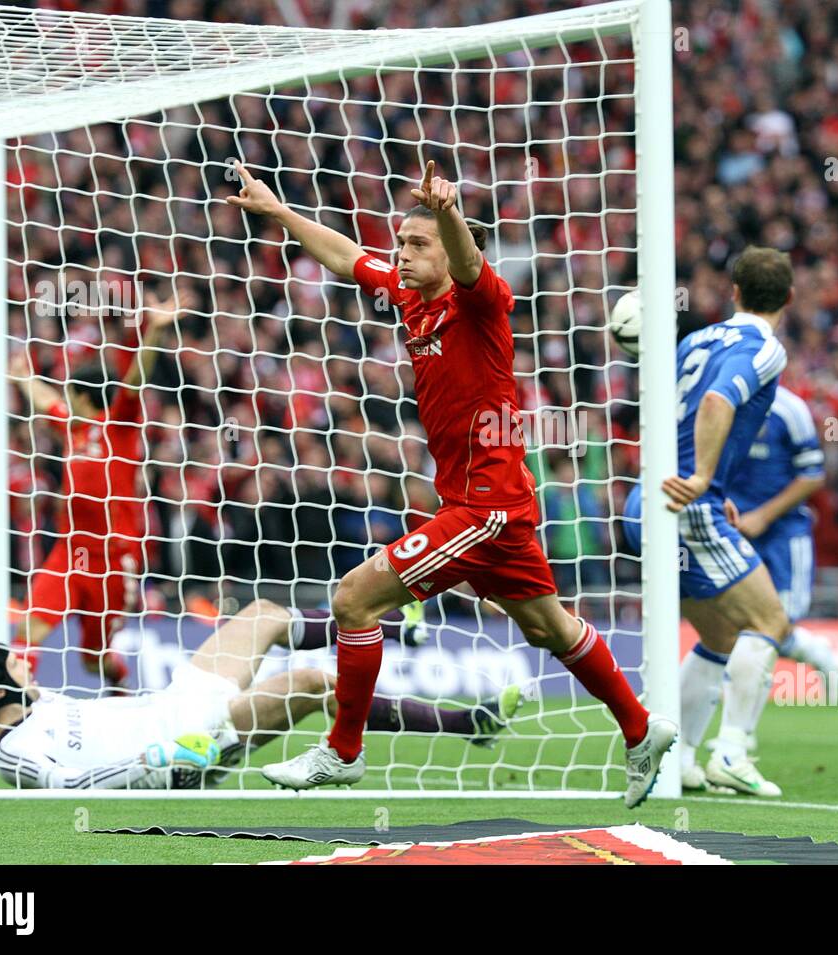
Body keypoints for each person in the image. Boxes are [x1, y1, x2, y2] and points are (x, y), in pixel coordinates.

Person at [227, 160, 672, 807]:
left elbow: (467, 264)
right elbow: (348, 255)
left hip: (485, 508)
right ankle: (640, 727)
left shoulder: (481, 301)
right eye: (402, 244)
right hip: (495, 507)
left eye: (417, 245)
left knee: (354, 600)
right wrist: (279, 213)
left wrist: (452, 213)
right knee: (551, 629)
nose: (402, 256)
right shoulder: (409, 296)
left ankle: (343, 751)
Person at [0, 600, 523, 790]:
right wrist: (158, 758)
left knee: (264, 615)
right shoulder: (11, 754)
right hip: (180, 747)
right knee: (312, 684)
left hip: (173, 705)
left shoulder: (41, 704)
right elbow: (70, 785)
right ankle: (468, 723)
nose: (27, 665)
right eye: (14, 666)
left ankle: (401, 628)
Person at [623, 246, 794, 798]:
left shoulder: (696, 339)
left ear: (735, 293)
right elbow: (719, 400)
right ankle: (732, 752)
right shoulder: (766, 348)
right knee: (769, 623)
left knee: (720, 634)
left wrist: (705, 483)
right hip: (684, 503)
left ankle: (683, 760)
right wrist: (702, 478)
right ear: (788, 299)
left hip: (645, 499)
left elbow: (669, 408)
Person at [8, 294, 178, 689]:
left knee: (94, 661)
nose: (65, 400)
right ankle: (16, 721)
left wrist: (153, 329)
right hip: (70, 552)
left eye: (71, 395)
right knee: (28, 633)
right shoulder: (74, 428)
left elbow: (133, 384)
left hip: (113, 563)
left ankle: (117, 684)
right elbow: (48, 402)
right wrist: (22, 378)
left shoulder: (118, 427)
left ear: (85, 398)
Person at [707, 384, 835, 775]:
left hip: (784, 534)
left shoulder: (790, 410)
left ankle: (814, 652)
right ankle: (739, 734)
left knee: (771, 629)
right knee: (743, 632)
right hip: (732, 529)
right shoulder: (719, 403)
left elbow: (813, 475)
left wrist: (764, 514)